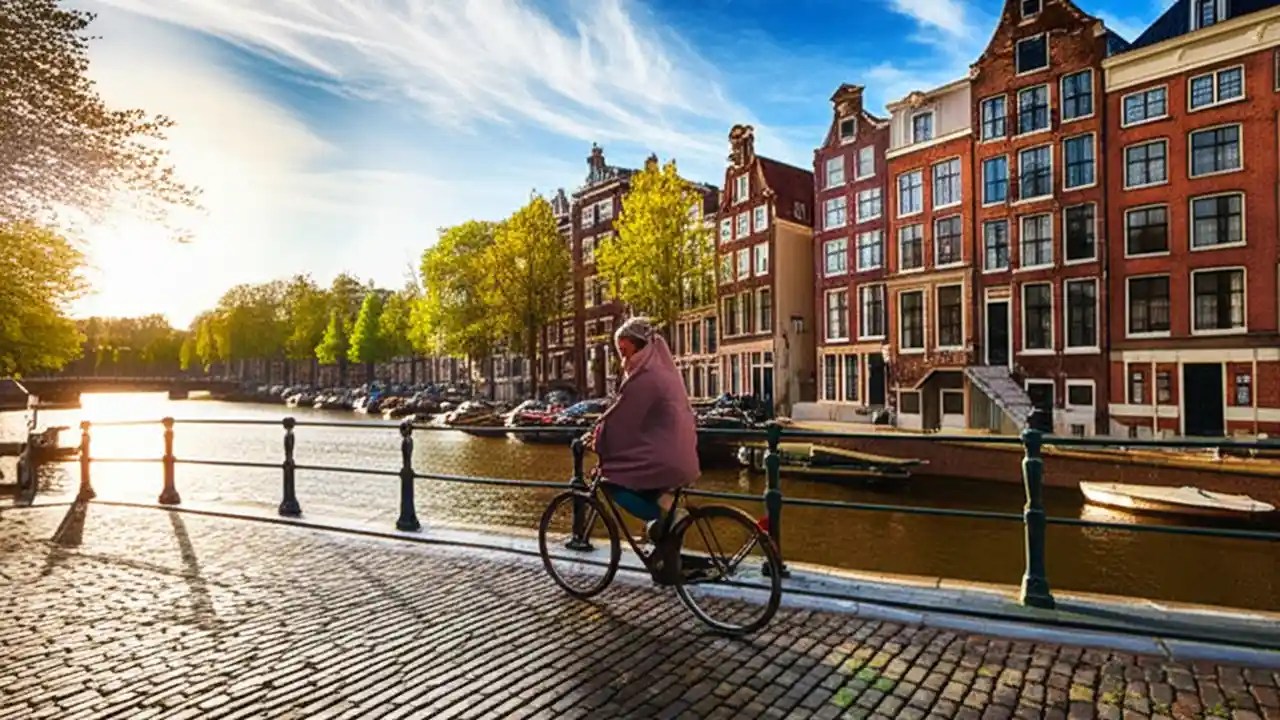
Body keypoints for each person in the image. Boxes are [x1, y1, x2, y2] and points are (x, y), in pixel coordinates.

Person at [588, 316, 700, 544]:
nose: (624, 359)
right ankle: (666, 550)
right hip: (683, 455)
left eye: (626, 351)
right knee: (645, 486)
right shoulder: (664, 371)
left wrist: (597, 440)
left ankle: (669, 517)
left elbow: (620, 419)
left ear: (641, 347)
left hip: (666, 459)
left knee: (609, 480)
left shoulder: (645, 378)